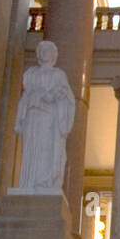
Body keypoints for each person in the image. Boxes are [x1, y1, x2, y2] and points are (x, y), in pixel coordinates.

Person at [14, 40, 75, 191]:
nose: (44, 52)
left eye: (48, 50)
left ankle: (43, 181)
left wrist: (52, 96)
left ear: (54, 54)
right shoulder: (30, 73)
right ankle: (29, 182)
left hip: (48, 118)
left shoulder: (58, 75)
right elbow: (25, 96)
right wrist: (19, 118)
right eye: (41, 50)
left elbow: (66, 97)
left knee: (45, 149)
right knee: (30, 148)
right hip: (32, 117)